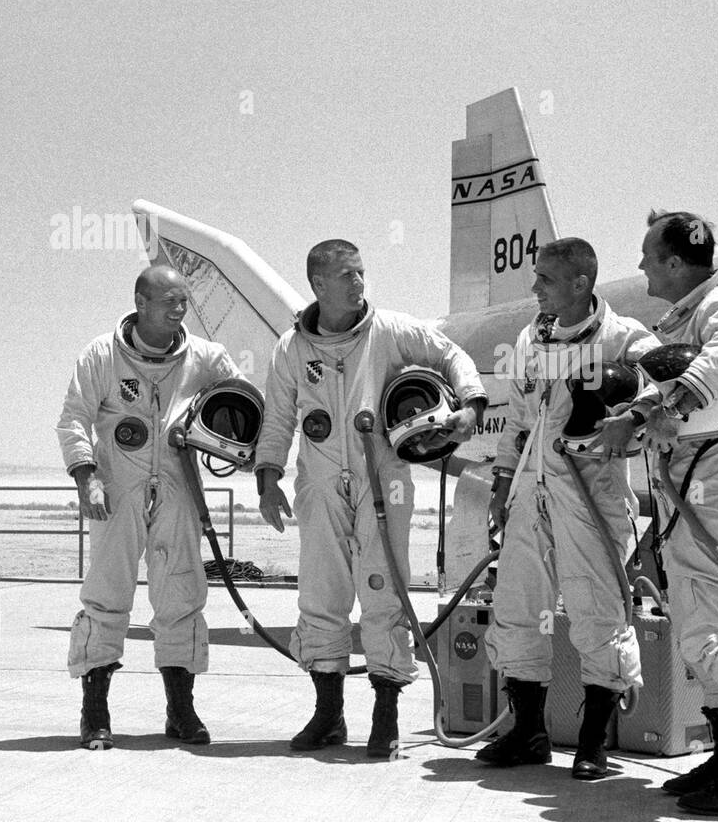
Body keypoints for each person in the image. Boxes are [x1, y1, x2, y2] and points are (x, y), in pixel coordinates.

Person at [256, 239, 486, 759]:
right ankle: (329, 714)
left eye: (361, 273)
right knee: (321, 593)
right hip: (318, 480)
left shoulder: (389, 331)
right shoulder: (292, 348)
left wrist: (469, 405)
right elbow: (277, 417)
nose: (359, 283)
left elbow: (451, 355)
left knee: (384, 590)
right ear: (318, 284)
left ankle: (386, 716)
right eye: (347, 275)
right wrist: (266, 478)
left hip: (383, 476)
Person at [599, 210, 718, 815]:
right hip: (696, 500)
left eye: (648, 257)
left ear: (676, 264)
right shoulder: (691, 316)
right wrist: (643, 408)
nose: (640, 267)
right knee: (698, 630)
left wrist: (661, 405)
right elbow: (673, 385)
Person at [479, 237, 659, 779]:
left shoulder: (625, 337)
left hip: (593, 492)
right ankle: (529, 733)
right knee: (516, 604)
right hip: (531, 489)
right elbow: (515, 421)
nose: (534, 289)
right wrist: (501, 485)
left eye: (546, 280)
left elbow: (665, 391)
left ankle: (592, 746)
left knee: (597, 611)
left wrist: (628, 397)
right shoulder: (528, 341)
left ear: (581, 284)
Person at [57, 265, 245, 749]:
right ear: (141, 303)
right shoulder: (103, 355)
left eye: (184, 300)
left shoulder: (205, 357)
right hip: (118, 485)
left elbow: (244, 407)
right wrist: (86, 476)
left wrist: (228, 437)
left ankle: (180, 710)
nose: (180, 308)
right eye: (169, 301)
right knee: (107, 591)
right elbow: (73, 418)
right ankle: (94, 711)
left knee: (182, 591)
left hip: (179, 484)